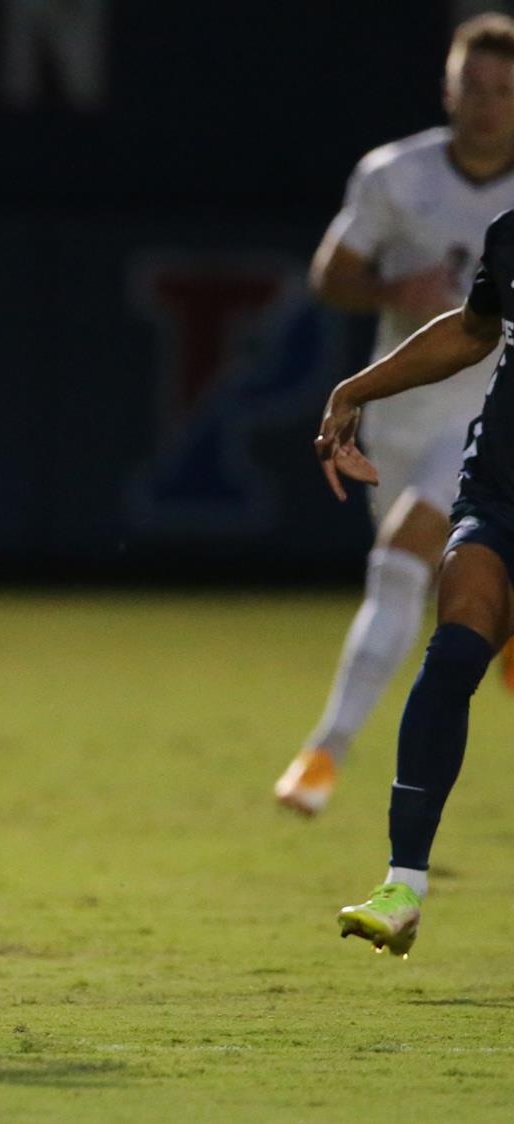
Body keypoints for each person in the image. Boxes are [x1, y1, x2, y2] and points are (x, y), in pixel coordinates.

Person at [276, 13, 514, 817]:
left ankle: (323, 753)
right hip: (399, 410)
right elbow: (329, 274)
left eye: (504, 91)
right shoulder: (393, 174)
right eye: (473, 87)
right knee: (421, 575)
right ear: (448, 87)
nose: (486, 105)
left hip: (488, 416)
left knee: (407, 553)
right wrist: (388, 293)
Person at [314, 199, 514, 956]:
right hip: (500, 496)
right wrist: (356, 389)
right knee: (456, 649)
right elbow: (474, 329)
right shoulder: (511, 232)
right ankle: (403, 885)